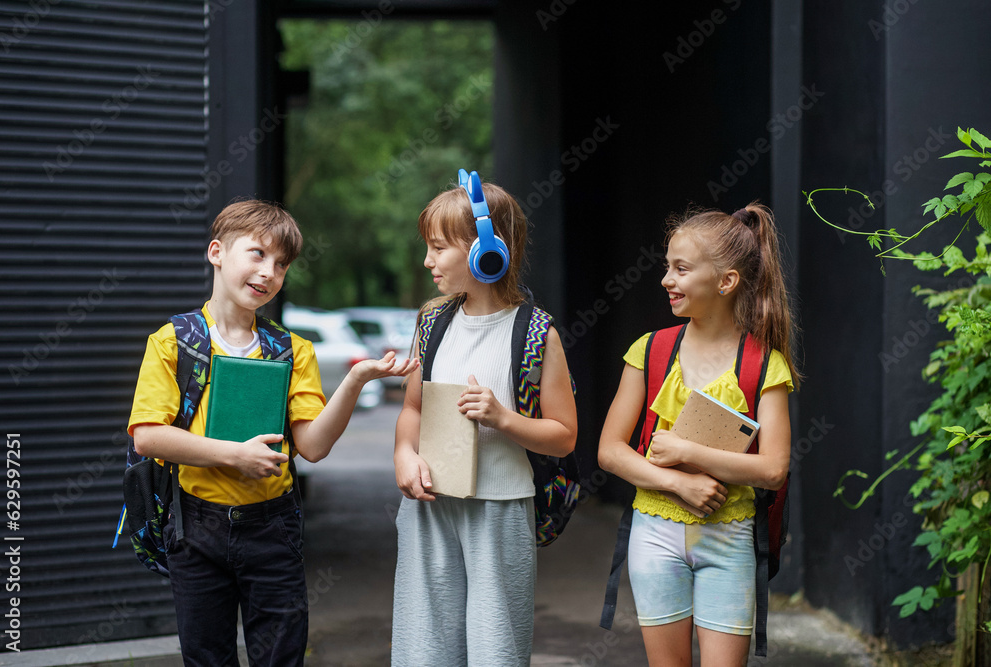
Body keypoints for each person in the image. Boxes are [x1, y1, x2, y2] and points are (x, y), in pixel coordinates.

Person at [128, 199, 417, 666]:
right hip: (195, 528)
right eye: (258, 254)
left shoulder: (292, 350)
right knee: (207, 659)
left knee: (281, 657)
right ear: (217, 252)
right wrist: (233, 455)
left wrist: (356, 379)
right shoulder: (173, 342)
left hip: (273, 527)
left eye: (281, 264)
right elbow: (148, 436)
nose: (269, 272)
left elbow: (314, 446)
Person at [597, 203, 800, 666]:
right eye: (667, 267)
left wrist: (687, 450)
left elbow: (773, 469)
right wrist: (677, 481)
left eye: (682, 269)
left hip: (730, 539)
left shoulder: (765, 363)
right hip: (654, 534)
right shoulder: (649, 351)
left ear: (726, 282)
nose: (667, 279)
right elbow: (609, 451)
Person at [391, 174, 578, 666]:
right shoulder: (430, 323)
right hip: (428, 506)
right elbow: (413, 407)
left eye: (437, 248)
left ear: (485, 251)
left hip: (500, 509)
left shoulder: (537, 333)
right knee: (422, 647)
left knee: (497, 647)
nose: (428, 261)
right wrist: (404, 456)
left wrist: (503, 418)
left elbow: (563, 437)